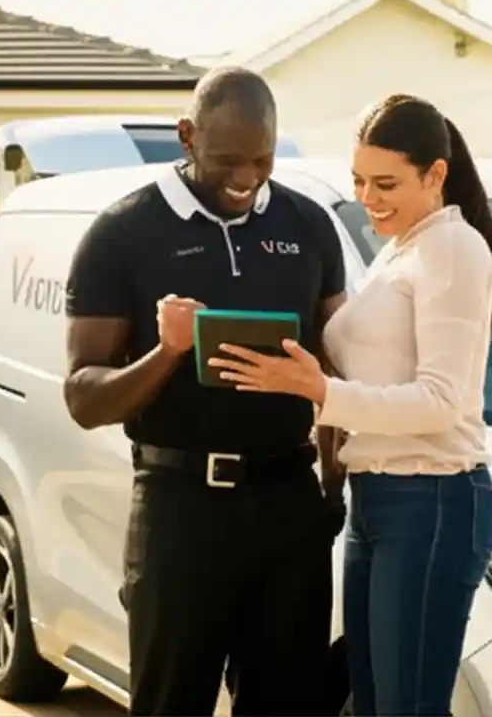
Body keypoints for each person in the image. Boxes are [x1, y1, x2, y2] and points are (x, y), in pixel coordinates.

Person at [209, 93, 492, 716]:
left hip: (431, 500)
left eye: (387, 182)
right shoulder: (400, 248)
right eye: (359, 181)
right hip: (377, 499)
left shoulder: (452, 249)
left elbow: (442, 402)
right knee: (372, 705)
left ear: (436, 175)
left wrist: (319, 391)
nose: (369, 197)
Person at [61, 65, 348, 716]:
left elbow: (337, 369)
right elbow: (83, 396)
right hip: (179, 511)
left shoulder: (309, 227)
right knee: (171, 704)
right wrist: (166, 352)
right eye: (227, 160)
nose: (246, 177)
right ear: (186, 137)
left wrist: (330, 495)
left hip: (288, 506)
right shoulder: (123, 234)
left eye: (262, 160)